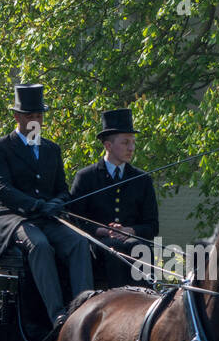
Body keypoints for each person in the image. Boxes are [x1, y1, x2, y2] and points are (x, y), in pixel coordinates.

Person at [0, 83, 93, 327]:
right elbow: (2, 189)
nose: (35, 120)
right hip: (13, 218)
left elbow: (62, 189)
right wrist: (35, 205)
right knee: (40, 245)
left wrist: (56, 202)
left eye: (38, 116)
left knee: (79, 242)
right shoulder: (0, 147)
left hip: (47, 217)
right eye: (29, 116)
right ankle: (57, 314)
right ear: (17, 116)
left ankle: (85, 307)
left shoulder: (51, 150)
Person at [68, 108, 159, 287]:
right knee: (114, 249)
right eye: (125, 142)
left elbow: (152, 226)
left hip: (133, 242)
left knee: (139, 248)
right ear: (108, 145)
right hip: (98, 246)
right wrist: (103, 231)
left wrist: (129, 231)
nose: (131, 148)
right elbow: (74, 220)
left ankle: (147, 301)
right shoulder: (86, 177)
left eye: (133, 142)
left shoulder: (142, 180)